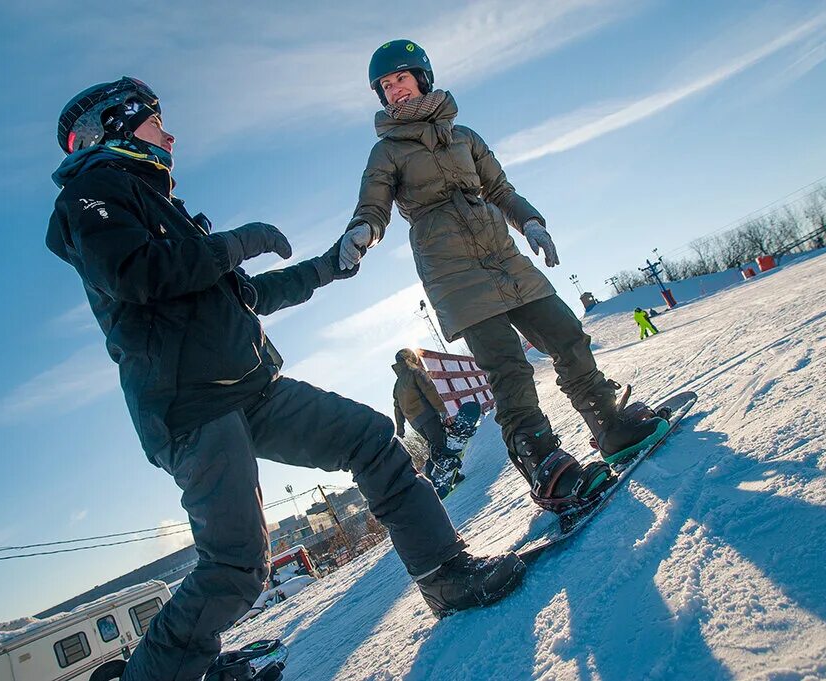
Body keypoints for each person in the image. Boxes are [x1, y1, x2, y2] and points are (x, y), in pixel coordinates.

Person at [46, 77, 525, 679]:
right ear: (118, 128)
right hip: (191, 408)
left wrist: (327, 268)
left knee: (371, 439)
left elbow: (246, 296)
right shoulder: (91, 195)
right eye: (155, 122)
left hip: (251, 390)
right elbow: (140, 274)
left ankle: (446, 576)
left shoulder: (160, 206)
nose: (170, 134)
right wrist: (238, 241)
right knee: (237, 563)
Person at [339, 41, 670, 514]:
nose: (395, 92)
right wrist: (362, 231)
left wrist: (531, 221)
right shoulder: (386, 152)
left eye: (400, 79)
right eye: (386, 87)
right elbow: (374, 204)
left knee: (568, 336)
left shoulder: (465, 137)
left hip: (504, 256)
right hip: (453, 272)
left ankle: (609, 423)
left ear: (422, 77)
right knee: (509, 369)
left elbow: (499, 189)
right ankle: (544, 463)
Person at [391, 348, 463, 495]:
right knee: (439, 445)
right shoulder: (415, 372)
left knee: (434, 446)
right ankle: (434, 478)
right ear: (411, 358)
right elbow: (430, 391)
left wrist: (400, 428)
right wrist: (442, 410)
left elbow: (397, 408)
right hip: (427, 414)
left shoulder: (397, 385)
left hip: (415, 422)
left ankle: (446, 477)